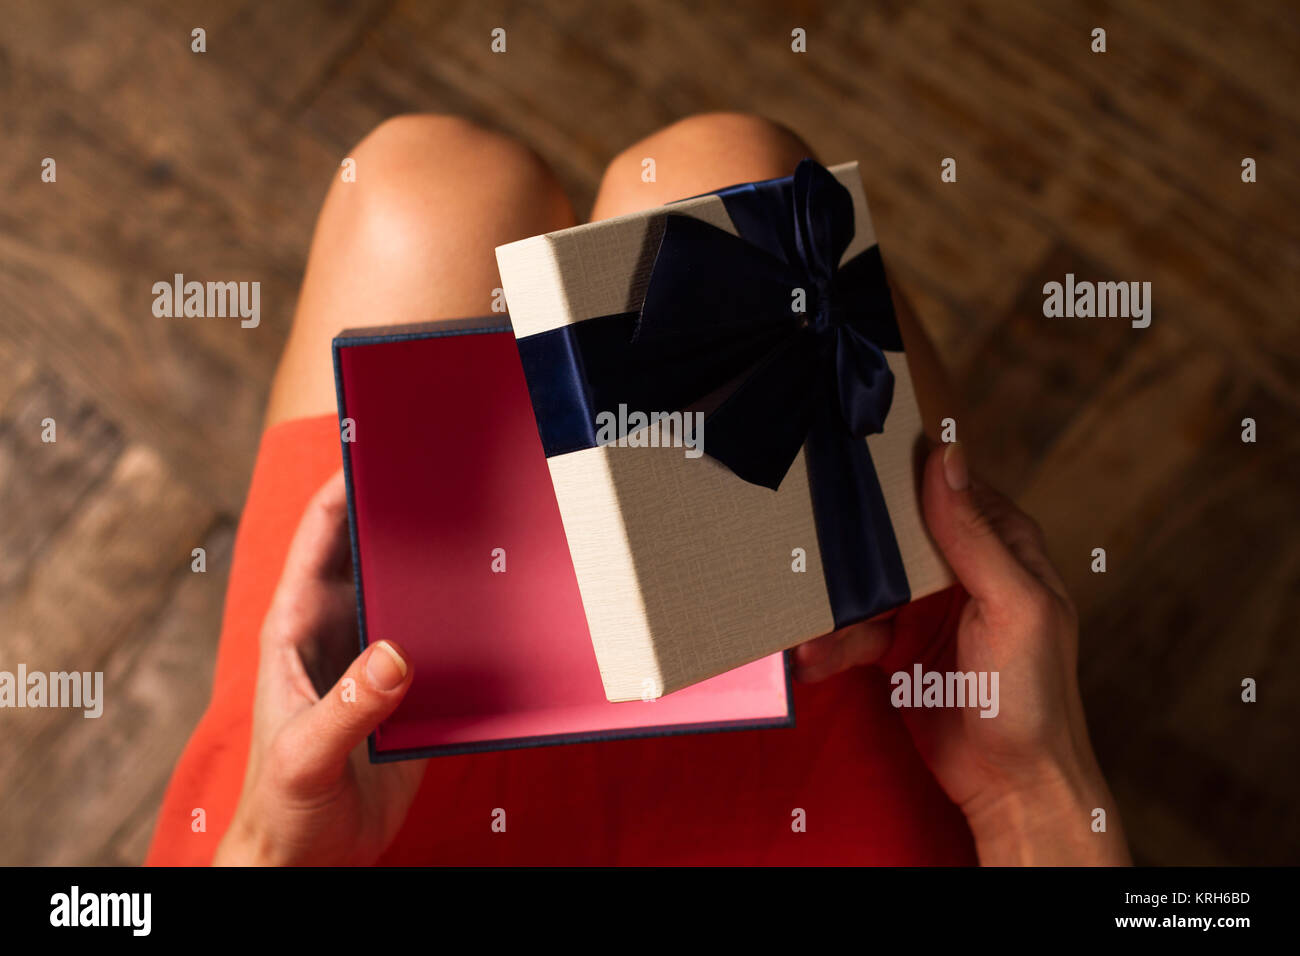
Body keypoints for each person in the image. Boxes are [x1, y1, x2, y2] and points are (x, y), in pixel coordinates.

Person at [146, 113, 1130, 866]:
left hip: (365, 809)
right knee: (729, 169)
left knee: (423, 182)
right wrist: (1033, 791)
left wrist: (271, 848)